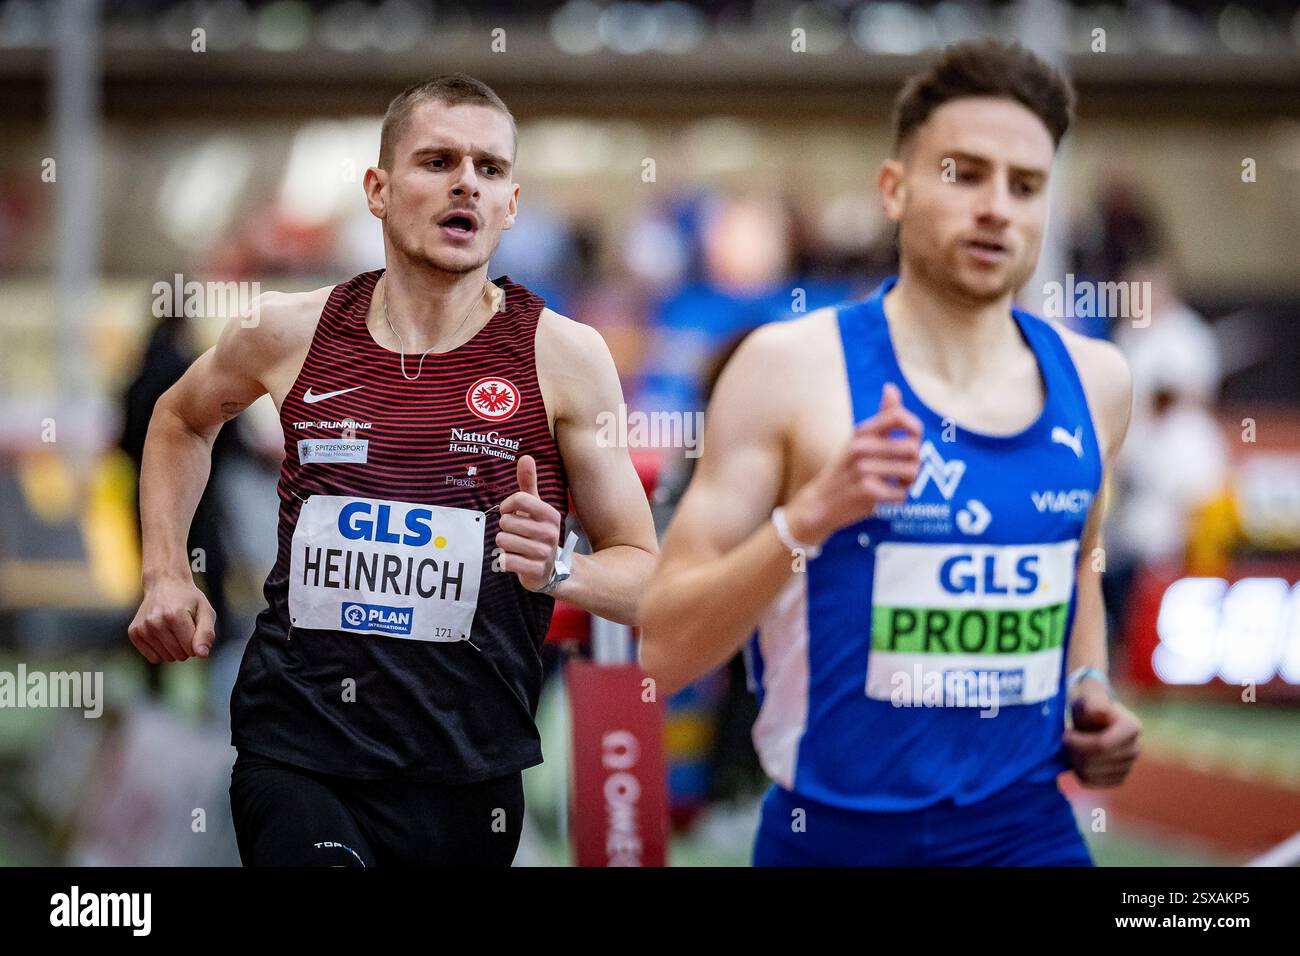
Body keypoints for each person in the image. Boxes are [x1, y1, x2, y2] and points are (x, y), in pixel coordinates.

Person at [127, 74, 658, 866]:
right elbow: (178, 417)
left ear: (511, 204)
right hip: (300, 748)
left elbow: (647, 577)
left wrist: (557, 568)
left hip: (469, 775)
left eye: (487, 168)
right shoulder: (289, 332)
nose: (464, 184)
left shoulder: (564, 357)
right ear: (377, 190)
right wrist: (166, 571)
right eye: (437, 161)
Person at [640, 40, 1142, 866]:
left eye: (1026, 186)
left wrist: (1090, 686)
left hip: (1029, 836)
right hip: (833, 841)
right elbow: (662, 651)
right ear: (894, 188)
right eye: (964, 174)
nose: (997, 208)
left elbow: (1079, 561)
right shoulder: (787, 370)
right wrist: (807, 520)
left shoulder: (1099, 381)